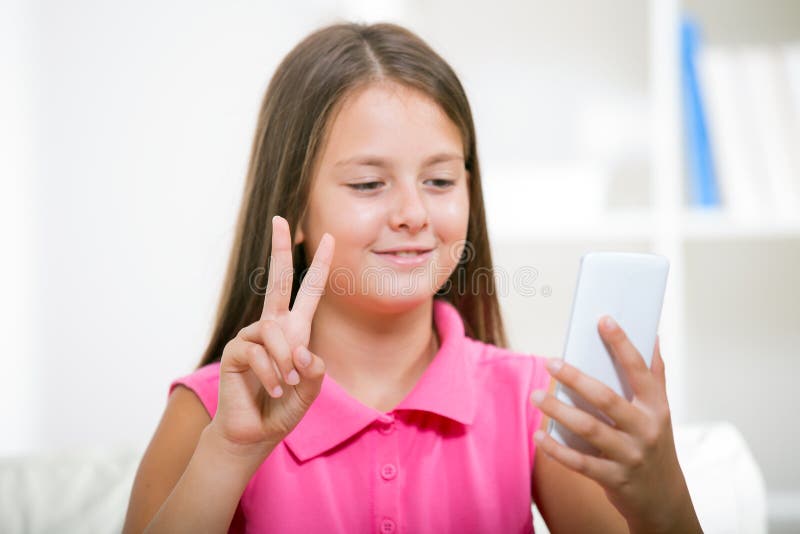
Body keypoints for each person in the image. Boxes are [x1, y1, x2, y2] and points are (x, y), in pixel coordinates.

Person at [122, 21, 702, 534]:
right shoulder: (209, 415)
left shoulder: (533, 406)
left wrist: (662, 497)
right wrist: (227, 454)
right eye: (369, 184)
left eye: (441, 181)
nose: (414, 213)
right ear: (294, 206)